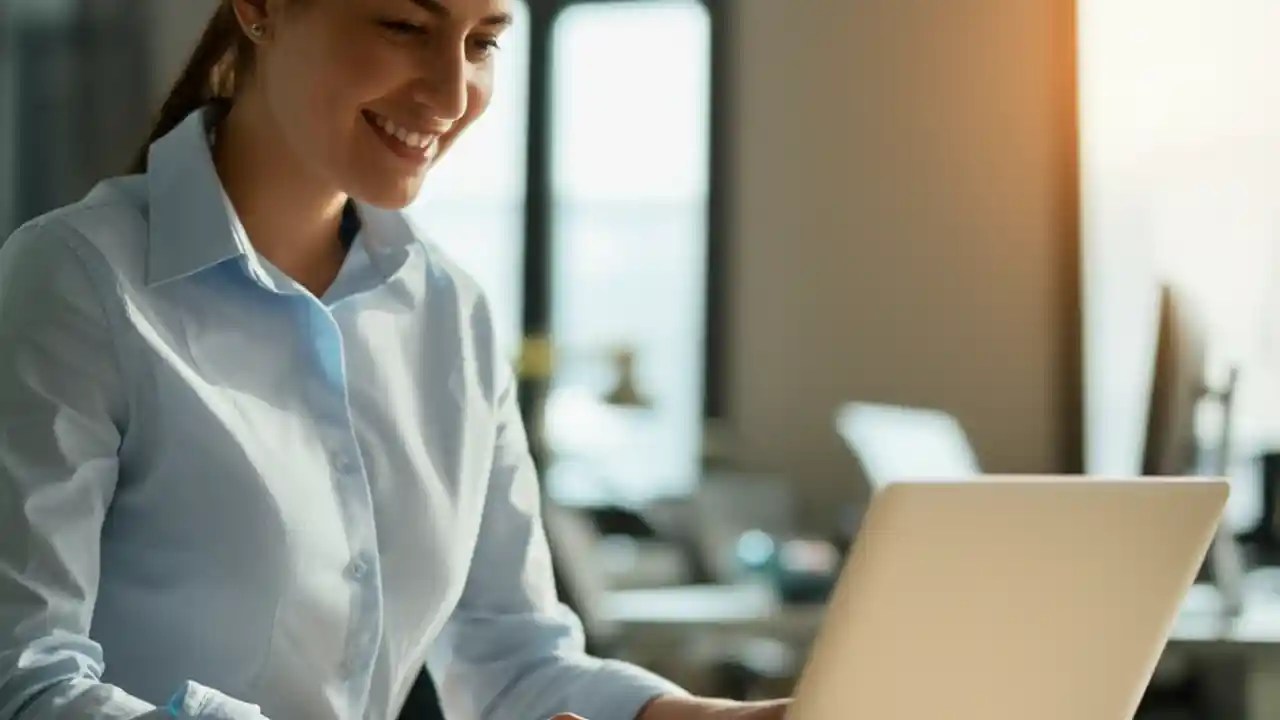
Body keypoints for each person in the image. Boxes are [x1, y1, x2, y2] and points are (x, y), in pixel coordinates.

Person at [0, 1, 791, 719]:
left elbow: (514, 659)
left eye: (481, 43)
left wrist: (710, 718)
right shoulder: (74, 281)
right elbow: (26, 680)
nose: (450, 96)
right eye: (405, 27)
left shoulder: (453, 314)